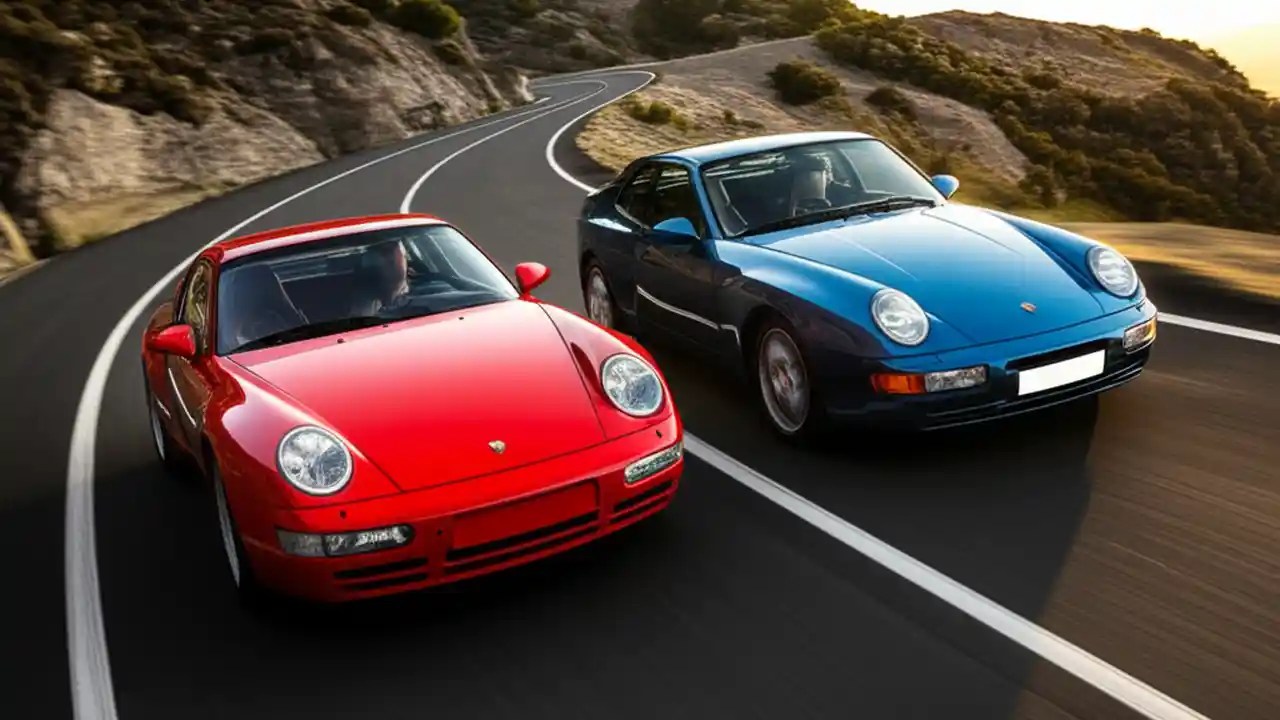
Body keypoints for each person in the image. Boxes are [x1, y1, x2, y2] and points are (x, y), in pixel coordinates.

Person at [350, 240, 410, 316]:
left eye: (404, 257)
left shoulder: (420, 285)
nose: (400, 263)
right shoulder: (365, 301)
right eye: (391, 261)